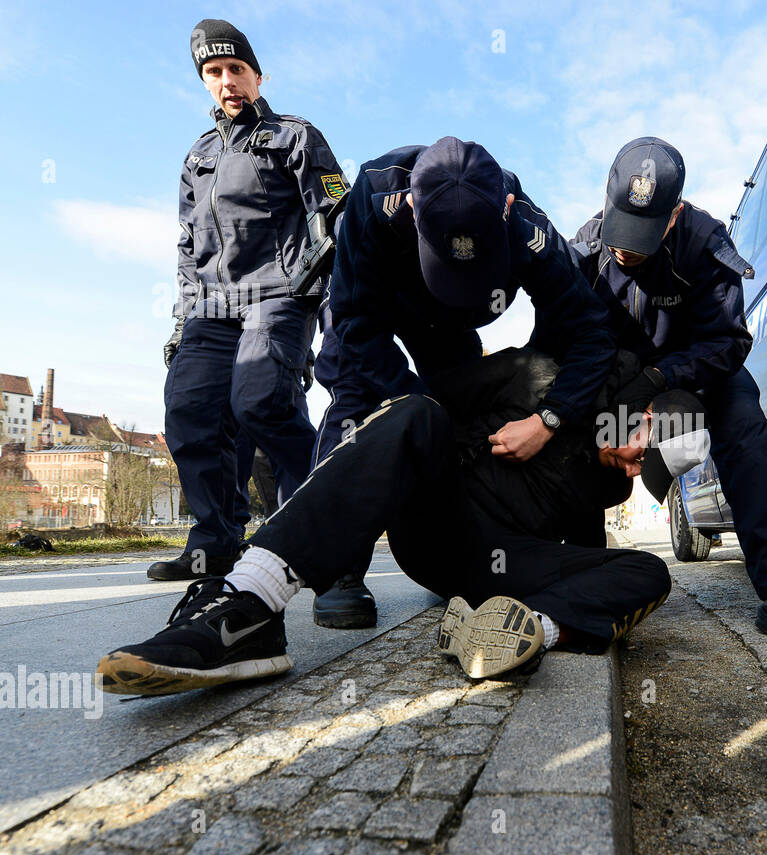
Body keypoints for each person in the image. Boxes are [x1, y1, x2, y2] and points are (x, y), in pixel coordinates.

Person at [94, 348, 703, 693]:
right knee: (418, 414)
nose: (631, 472)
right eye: (639, 455)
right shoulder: (543, 375)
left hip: (499, 572)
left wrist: (572, 600)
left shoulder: (605, 483)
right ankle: (250, 602)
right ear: (640, 413)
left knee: (648, 573)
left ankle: (515, 633)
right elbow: (427, 394)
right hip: (439, 522)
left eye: (643, 473)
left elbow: (585, 561)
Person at [307, 136, 618, 629]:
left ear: (506, 208)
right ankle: (339, 566)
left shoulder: (529, 229)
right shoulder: (373, 199)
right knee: (360, 401)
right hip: (377, 303)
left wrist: (548, 416)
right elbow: (353, 321)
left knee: (471, 399)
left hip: (449, 327)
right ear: (410, 207)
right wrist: (410, 401)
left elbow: (589, 332)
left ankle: (463, 531)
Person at [546, 136, 767, 653]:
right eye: (620, 228)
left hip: (695, 373)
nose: (624, 248)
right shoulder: (585, 251)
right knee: (573, 433)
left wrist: (661, 383)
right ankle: (583, 571)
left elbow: (727, 342)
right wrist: (598, 414)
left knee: (746, 428)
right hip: (610, 373)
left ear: (675, 215)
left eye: (643, 236)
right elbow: (563, 345)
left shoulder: (705, 243)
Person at [151, 19, 345, 583]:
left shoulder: (295, 136)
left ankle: (312, 527)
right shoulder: (198, 156)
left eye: (237, 69)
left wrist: (331, 302)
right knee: (189, 411)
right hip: (212, 303)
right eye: (215, 72)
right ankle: (215, 540)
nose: (227, 80)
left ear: (258, 76)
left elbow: (334, 217)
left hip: (278, 292)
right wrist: (183, 316)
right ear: (205, 82)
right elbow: (188, 243)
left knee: (260, 402)